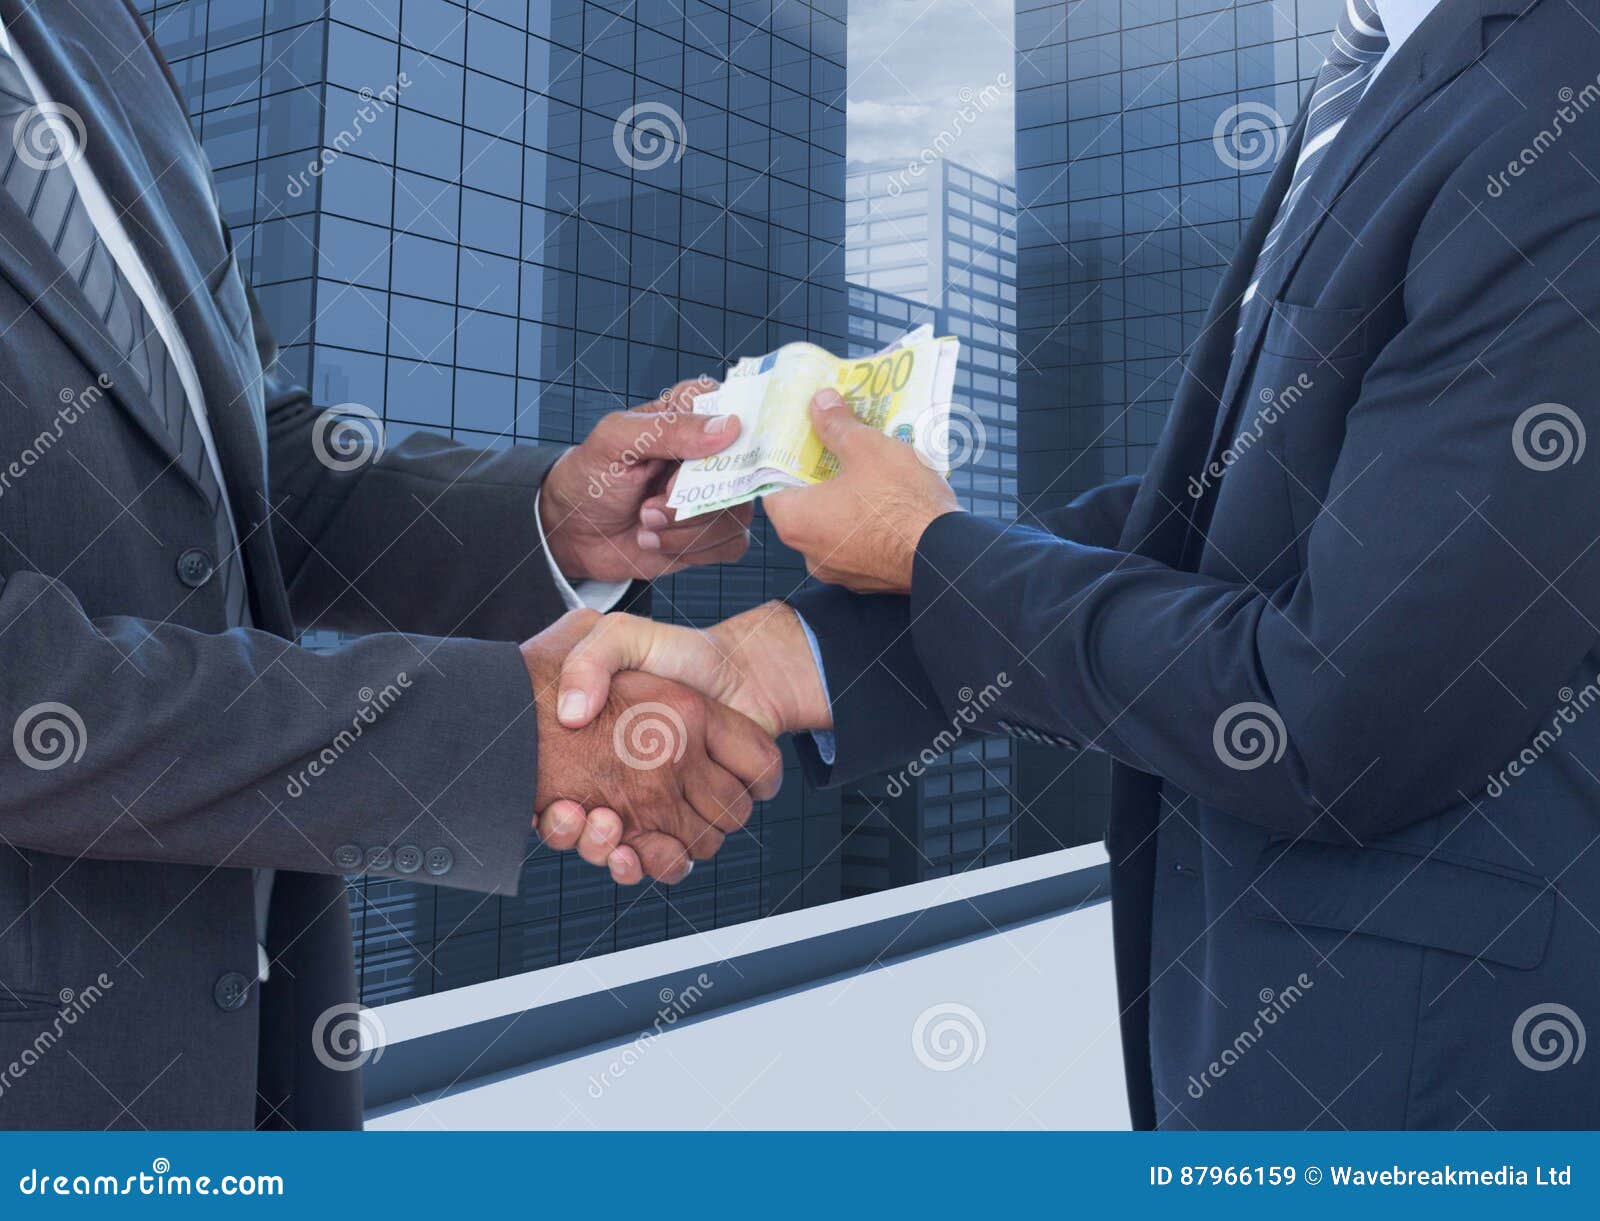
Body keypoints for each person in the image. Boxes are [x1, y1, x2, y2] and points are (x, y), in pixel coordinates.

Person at [546, 0, 1600, 1128]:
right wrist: (787, 656)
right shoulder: (1388, 69)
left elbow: (1349, 711)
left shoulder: (1562, 88)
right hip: (1268, 1046)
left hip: (1428, 1080)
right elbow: (1224, 525)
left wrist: (928, 552)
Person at [0, 2, 778, 1130]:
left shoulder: (93, 32)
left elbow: (249, 468)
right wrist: (507, 731)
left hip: (261, 1053)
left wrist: (556, 522)